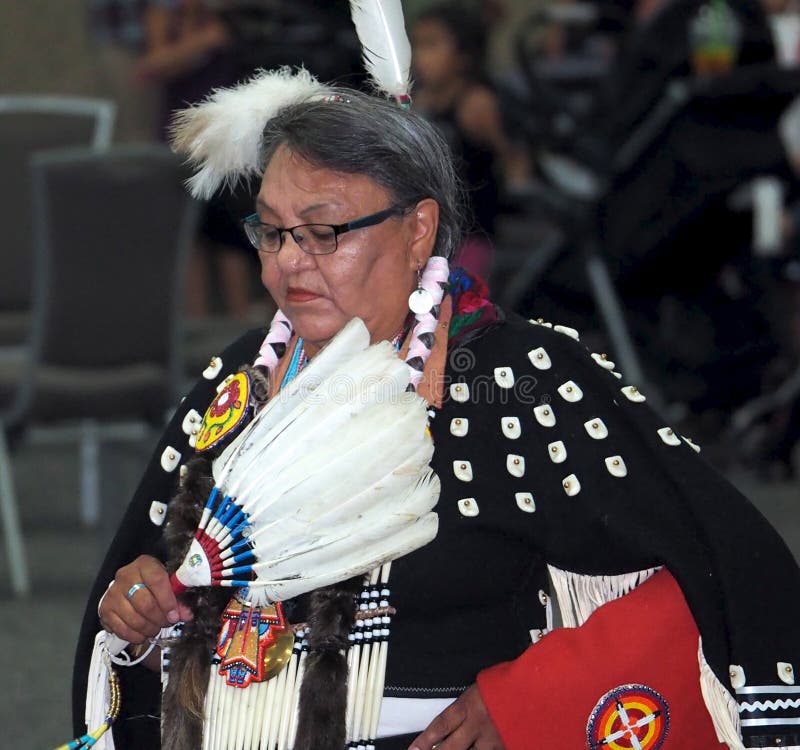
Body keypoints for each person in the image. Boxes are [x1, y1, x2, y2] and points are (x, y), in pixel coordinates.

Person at [72, 52, 799, 750]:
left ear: (418, 228)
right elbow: (139, 607)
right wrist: (136, 614)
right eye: (271, 231)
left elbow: (732, 573)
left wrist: (537, 698)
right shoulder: (237, 387)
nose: (289, 261)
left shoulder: (523, 379)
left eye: (324, 232)